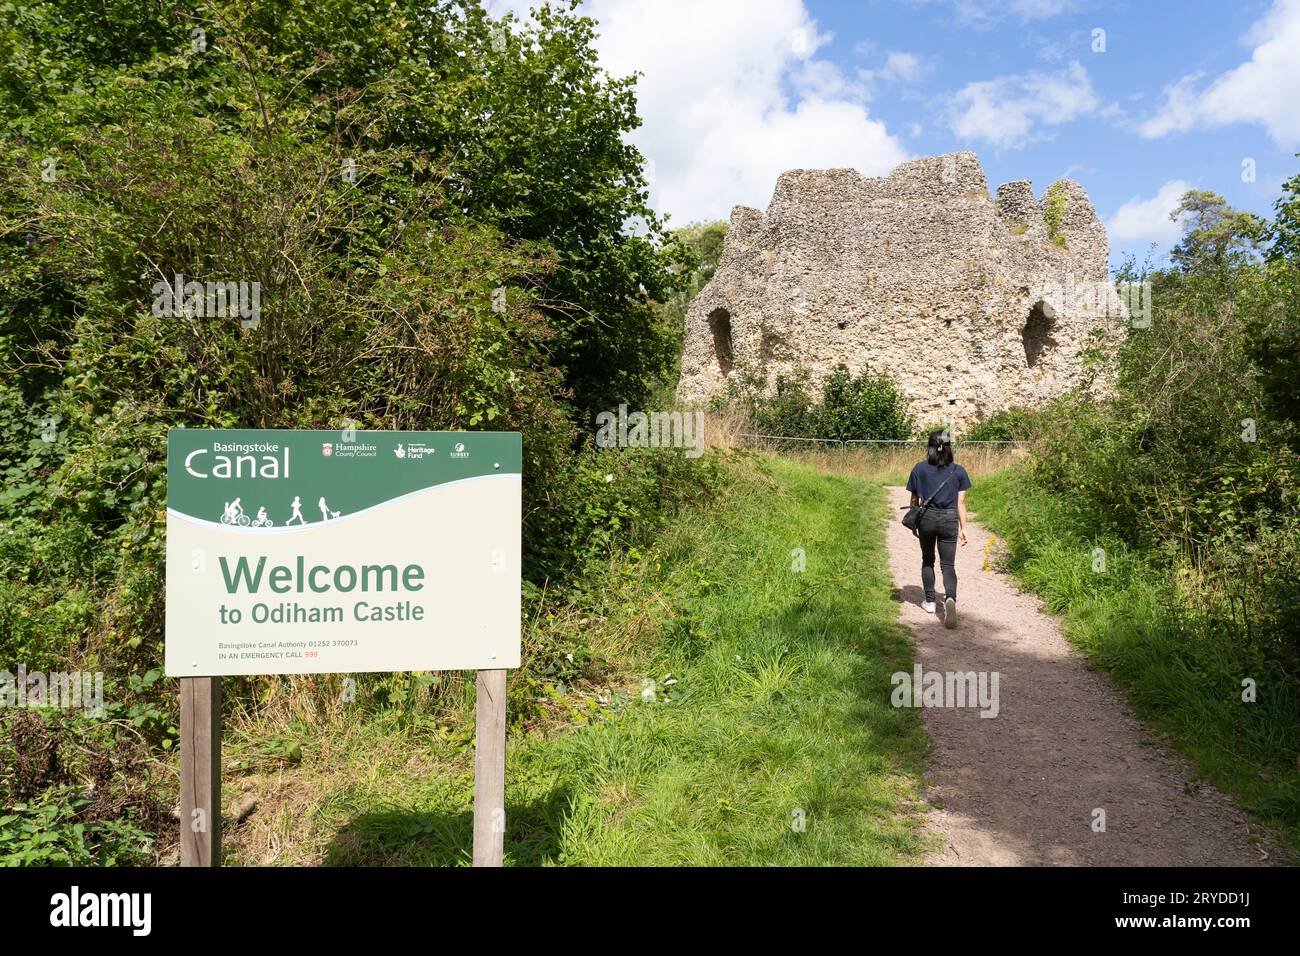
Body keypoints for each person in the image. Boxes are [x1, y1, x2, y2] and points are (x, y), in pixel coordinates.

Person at [905, 431, 971, 628]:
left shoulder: (919, 468)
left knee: (928, 559)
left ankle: (931, 602)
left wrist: (914, 522)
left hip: (927, 518)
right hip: (949, 519)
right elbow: (961, 503)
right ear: (949, 447)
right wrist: (964, 528)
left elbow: (914, 500)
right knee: (948, 565)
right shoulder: (958, 471)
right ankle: (950, 599)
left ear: (930, 446)